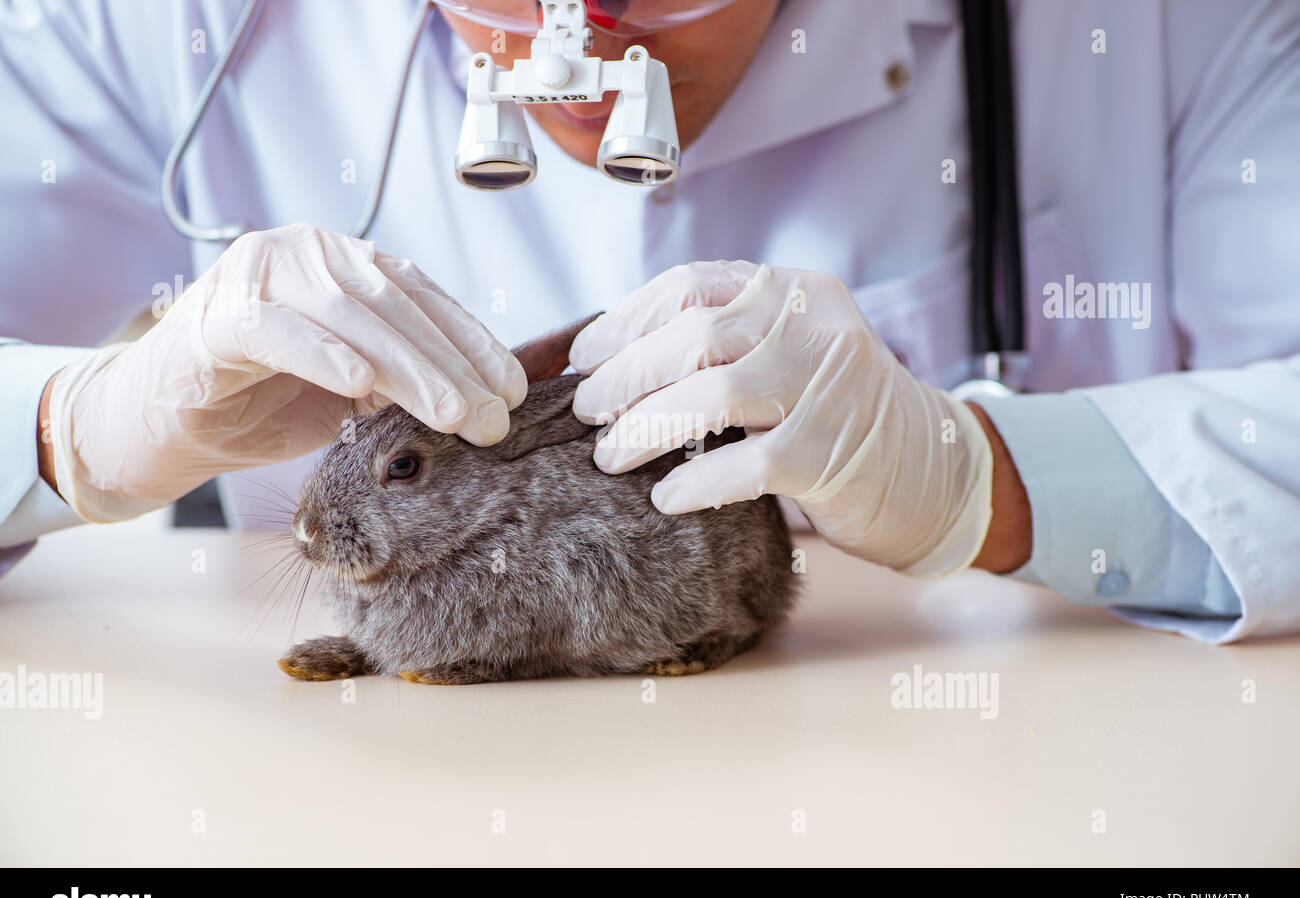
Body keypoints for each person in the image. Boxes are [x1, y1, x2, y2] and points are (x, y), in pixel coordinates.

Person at [1, 0, 1297, 644]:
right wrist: (74, 434)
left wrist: (986, 478)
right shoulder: (167, 24)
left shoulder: (1170, 25)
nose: (577, 45)